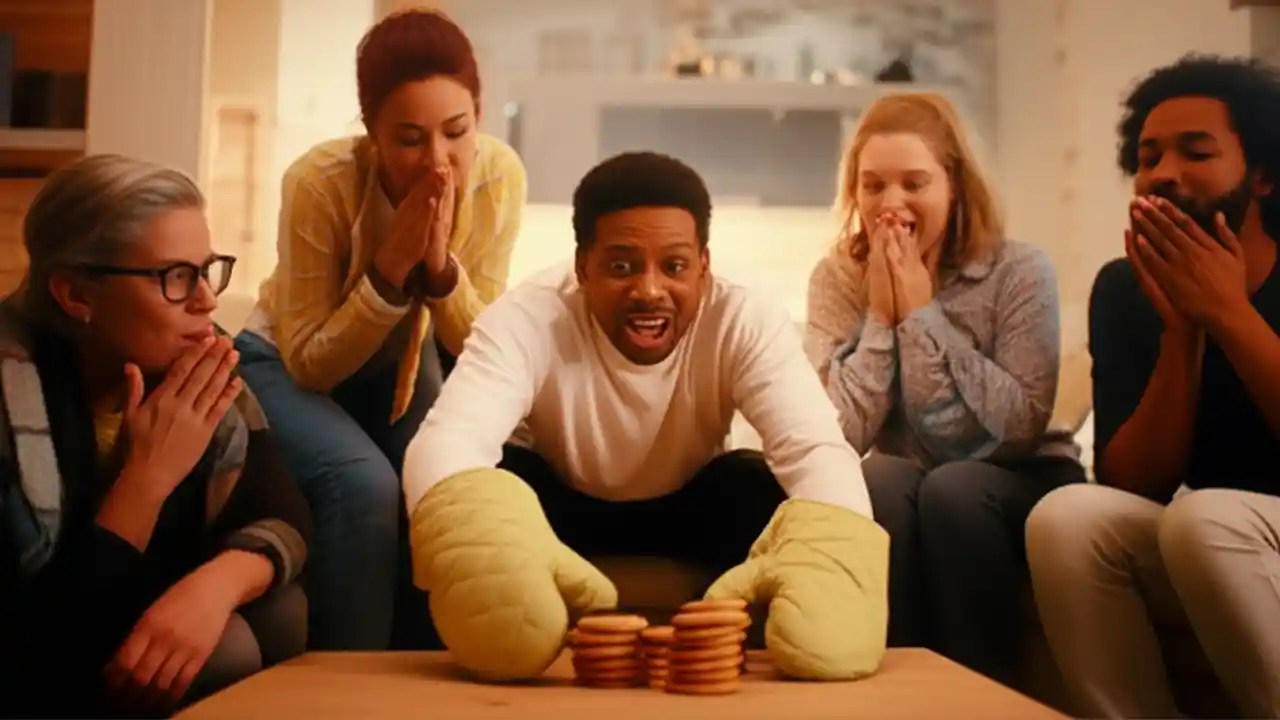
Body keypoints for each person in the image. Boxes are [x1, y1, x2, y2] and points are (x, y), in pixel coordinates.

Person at [400, 151, 889, 682]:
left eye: (674, 266)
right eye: (622, 266)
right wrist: (480, 542)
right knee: (490, 489)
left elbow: (814, 446)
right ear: (583, 267)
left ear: (703, 266)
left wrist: (835, 565)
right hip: (558, 511)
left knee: (755, 485)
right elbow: (447, 442)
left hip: (689, 507)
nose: (650, 290)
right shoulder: (526, 314)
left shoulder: (744, 313)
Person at [233, 9, 527, 650]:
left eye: (457, 131)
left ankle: (438, 674)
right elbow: (310, 359)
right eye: (410, 138)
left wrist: (440, 266)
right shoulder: (319, 182)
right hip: (278, 360)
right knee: (364, 483)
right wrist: (391, 269)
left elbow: (479, 342)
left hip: (400, 363)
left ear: (479, 114)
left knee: (445, 480)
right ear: (370, 132)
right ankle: (350, 682)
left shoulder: (499, 176)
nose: (438, 160)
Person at [0, 154, 311, 718]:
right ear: (76, 296)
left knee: (278, 607)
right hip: (40, 658)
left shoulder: (196, 357)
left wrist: (215, 586)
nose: (207, 301)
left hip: (117, 613)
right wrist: (146, 477)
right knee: (232, 648)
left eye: (207, 269)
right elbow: (44, 642)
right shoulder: (10, 391)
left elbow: (283, 512)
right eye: (175, 277)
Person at [1025, 54, 1280, 719]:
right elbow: (1135, 486)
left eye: (1196, 152)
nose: (1163, 174)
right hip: (1215, 543)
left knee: (1208, 517)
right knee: (1068, 518)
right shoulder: (1124, 287)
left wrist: (1229, 314)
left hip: (1232, 530)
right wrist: (1182, 334)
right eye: (1148, 157)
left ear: (1262, 176)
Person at [803, 92, 1083, 683]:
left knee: (953, 488)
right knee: (876, 476)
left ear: (954, 186)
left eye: (914, 183)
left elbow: (1019, 423)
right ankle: (894, 687)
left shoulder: (1019, 270)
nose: (891, 204)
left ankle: (977, 689)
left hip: (1017, 472)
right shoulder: (836, 278)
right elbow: (837, 436)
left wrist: (924, 316)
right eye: (873, 185)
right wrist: (882, 319)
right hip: (909, 476)